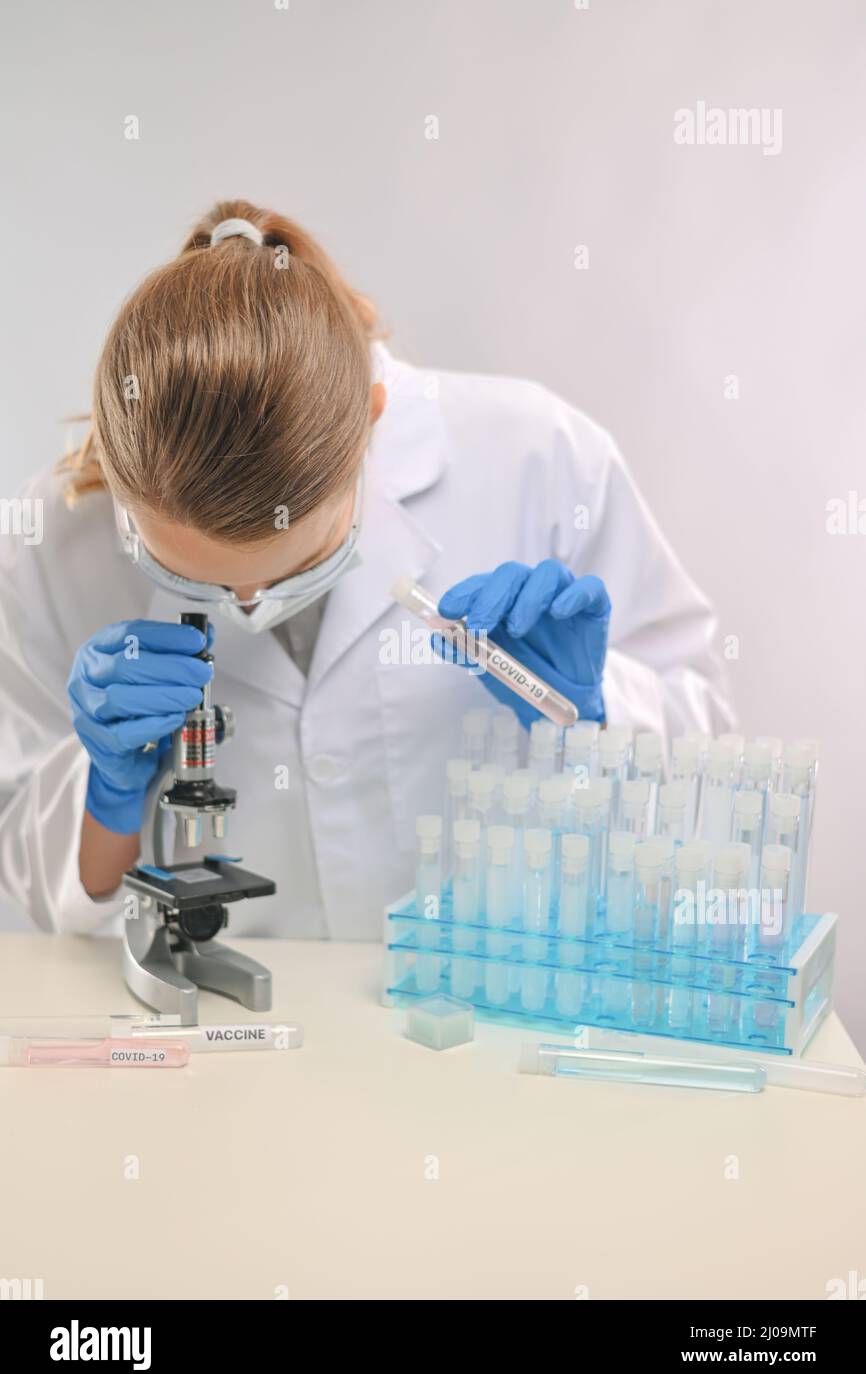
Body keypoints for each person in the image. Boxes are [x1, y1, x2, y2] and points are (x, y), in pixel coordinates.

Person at [0, 199, 732, 940]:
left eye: (296, 567)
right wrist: (104, 793)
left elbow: (722, 776)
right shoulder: (56, 540)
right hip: (220, 1039)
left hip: (492, 1013)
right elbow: (38, 876)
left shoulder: (539, 457)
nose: (249, 608)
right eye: (199, 582)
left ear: (371, 425)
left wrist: (601, 709)